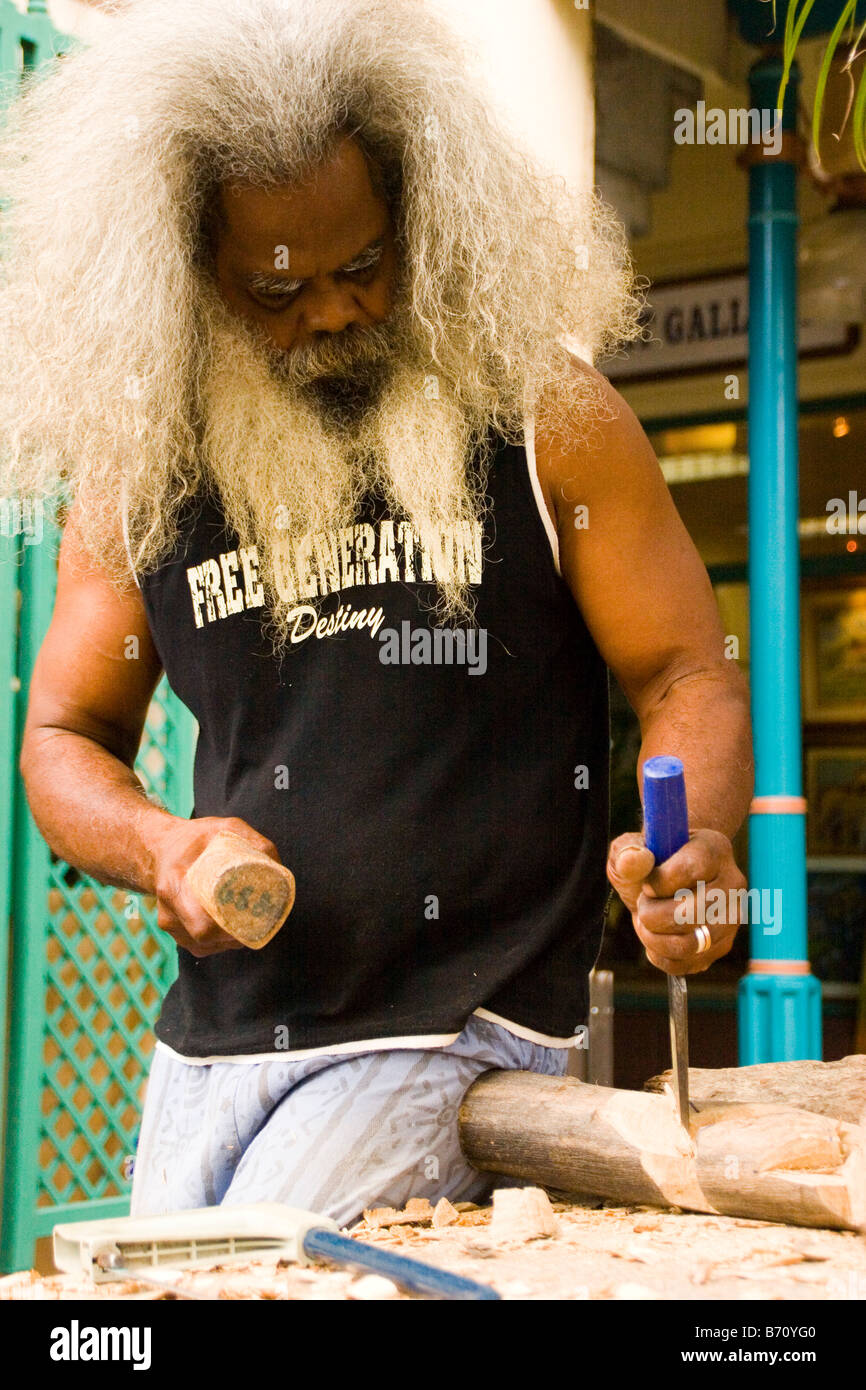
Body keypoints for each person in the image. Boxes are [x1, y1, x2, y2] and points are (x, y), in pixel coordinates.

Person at [1, 0, 752, 1227]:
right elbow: (65, 737)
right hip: (209, 1050)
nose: (335, 311)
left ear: (420, 212)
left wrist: (701, 846)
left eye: (363, 264)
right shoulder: (141, 467)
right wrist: (163, 850)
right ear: (191, 274)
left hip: (460, 1038)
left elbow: (687, 670)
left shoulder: (546, 418)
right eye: (275, 288)